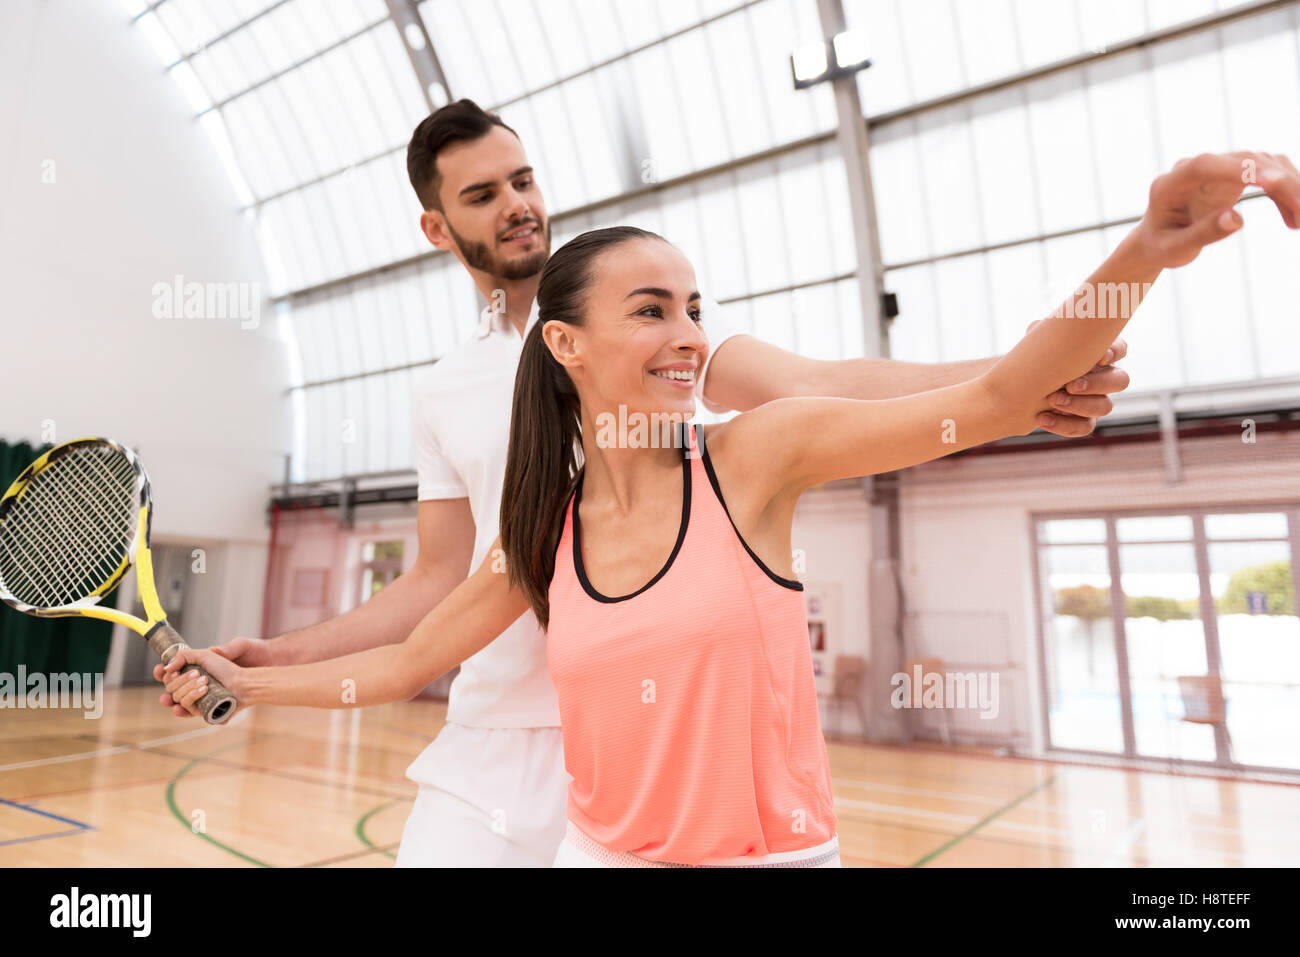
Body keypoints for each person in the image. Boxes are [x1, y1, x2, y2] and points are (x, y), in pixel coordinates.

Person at [163, 147, 1300, 866]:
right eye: (652, 311)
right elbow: (409, 659)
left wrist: (1144, 254)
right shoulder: (537, 532)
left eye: (693, 308)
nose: (692, 336)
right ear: (569, 345)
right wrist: (246, 679)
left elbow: (986, 393)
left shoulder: (759, 455)